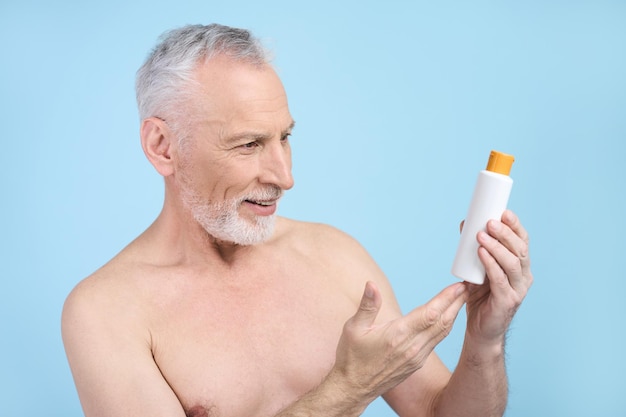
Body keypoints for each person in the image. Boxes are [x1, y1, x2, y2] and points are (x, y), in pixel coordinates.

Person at [62, 23, 533, 417]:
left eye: (284, 138)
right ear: (163, 147)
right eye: (248, 145)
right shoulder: (106, 311)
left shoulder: (334, 258)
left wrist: (483, 339)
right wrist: (347, 389)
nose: (285, 177)